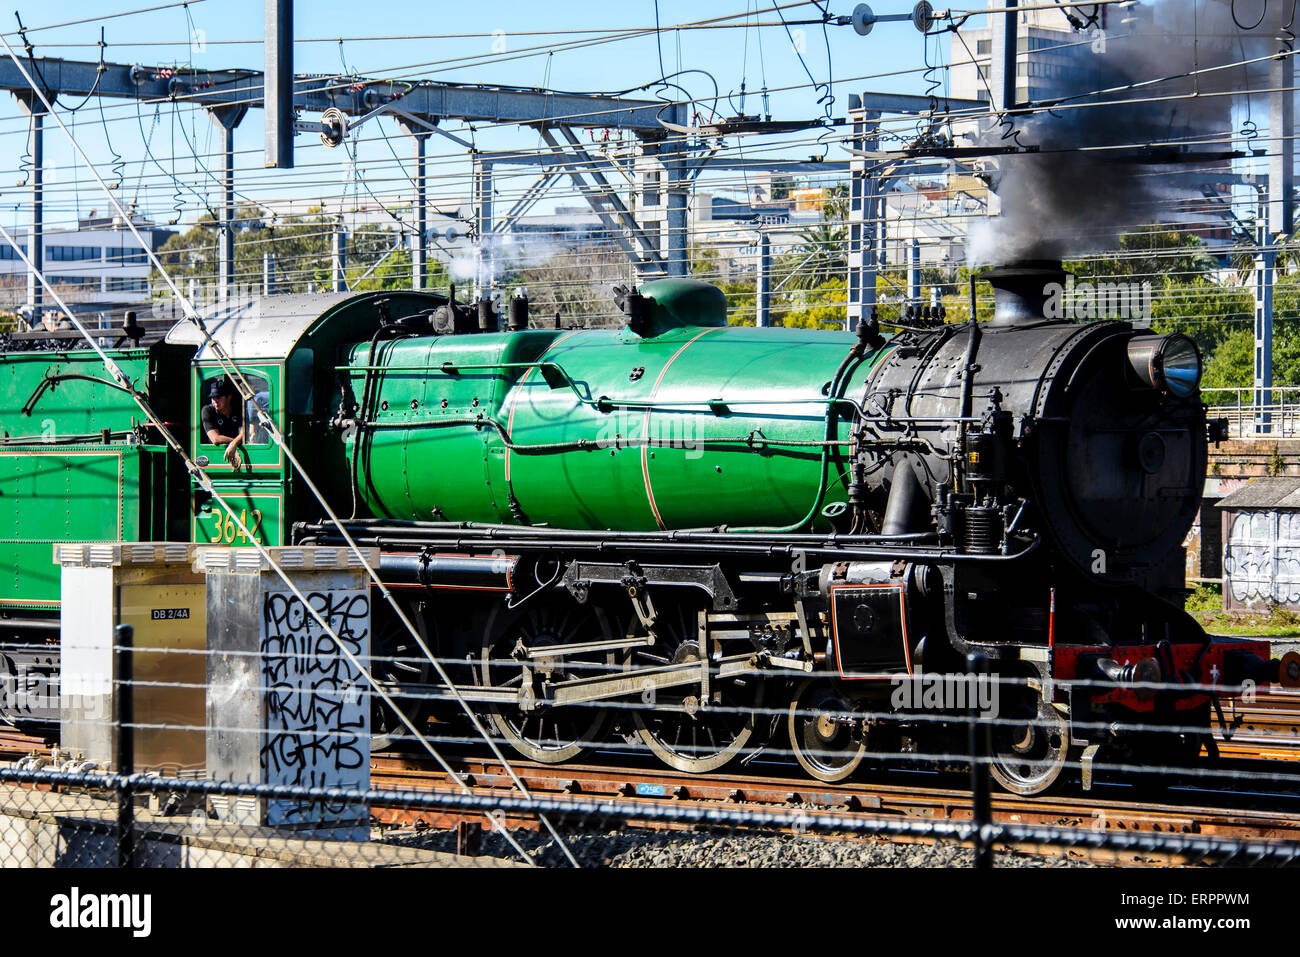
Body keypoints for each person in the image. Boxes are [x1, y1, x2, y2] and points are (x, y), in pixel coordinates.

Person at [201, 377, 245, 468]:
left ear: (229, 397)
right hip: (216, 460)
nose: (215, 401)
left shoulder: (239, 409)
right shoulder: (207, 410)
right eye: (212, 397)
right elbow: (215, 439)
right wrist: (235, 442)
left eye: (219, 397)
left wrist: (233, 444)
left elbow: (245, 433)